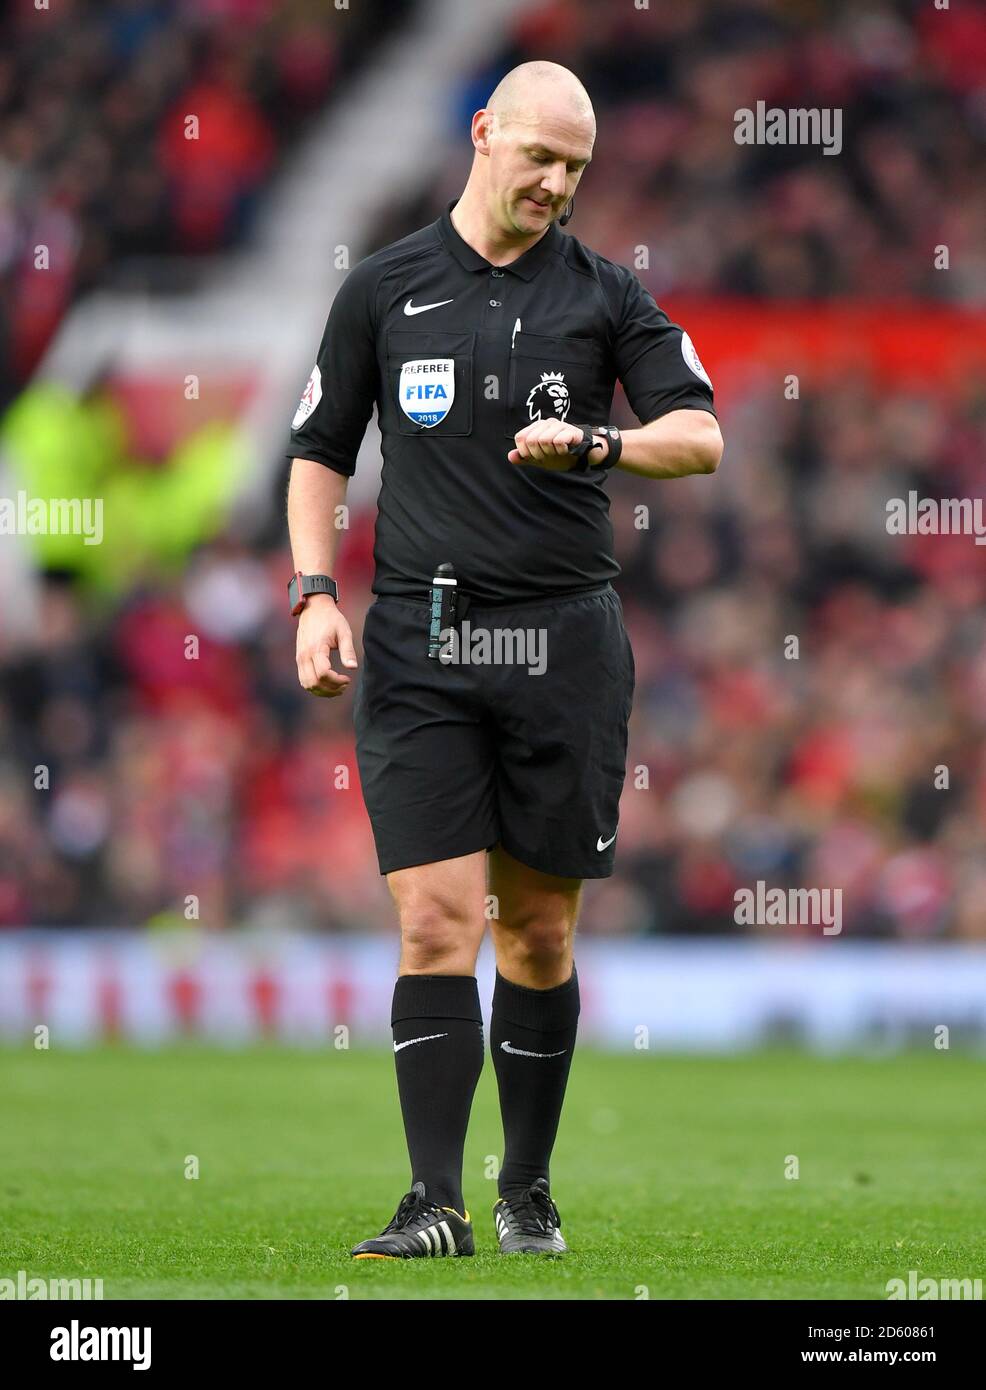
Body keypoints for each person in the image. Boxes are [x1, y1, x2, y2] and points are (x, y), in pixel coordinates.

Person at [286, 60, 722, 1259]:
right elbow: (319, 449)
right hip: (420, 643)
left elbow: (700, 434)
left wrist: (599, 444)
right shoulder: (382, 288)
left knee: (536, 932)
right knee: (434, 923)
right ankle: (432, 1203)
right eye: (539, 157)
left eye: (575, 169)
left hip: (562, 645)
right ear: (483, 134)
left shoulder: (607, 294)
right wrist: (313, 591)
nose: (556, 185)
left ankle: (524, 1186)